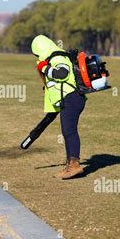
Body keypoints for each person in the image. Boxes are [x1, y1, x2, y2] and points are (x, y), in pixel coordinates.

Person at [31, 35, 86, 180]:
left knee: (70, 132)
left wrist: (44, 68)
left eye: (37, 53)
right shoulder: (55, 57)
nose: (37, 57)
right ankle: (70, 165)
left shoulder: (57, 58)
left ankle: (74, 166)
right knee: (67, 132)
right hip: (70, 99)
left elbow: (62, 73)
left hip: (72, 98)